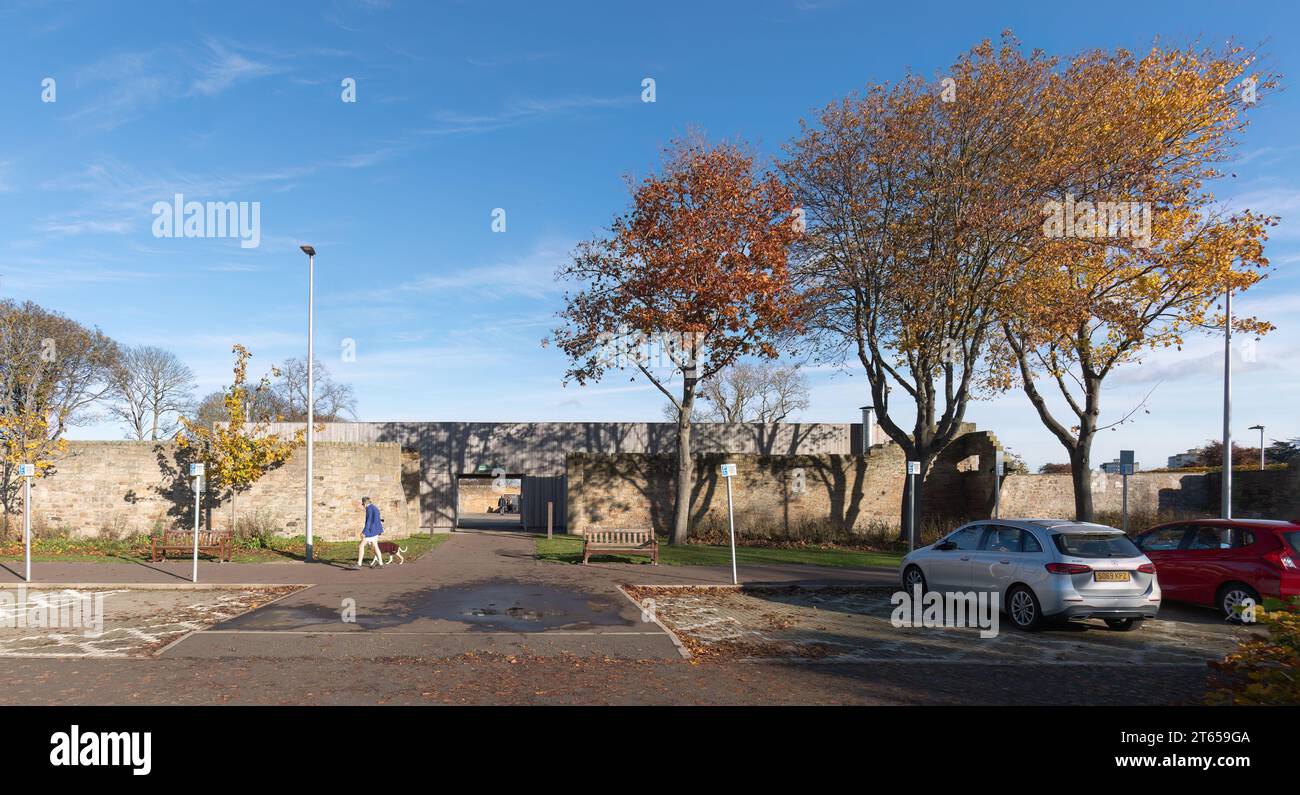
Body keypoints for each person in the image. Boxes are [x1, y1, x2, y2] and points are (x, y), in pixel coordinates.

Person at [356, 496, 384, 568]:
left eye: (362, 504)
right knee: (375, 546)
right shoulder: (375, 508)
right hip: (376, 531)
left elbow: (369, 521)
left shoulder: (369, 509)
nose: (363, 506)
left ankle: (359, 564)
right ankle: (381, 563)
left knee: (361, 545)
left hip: (371, 531)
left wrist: (364, 532)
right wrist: (379, 530)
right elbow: (378, 520)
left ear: (365, 503)